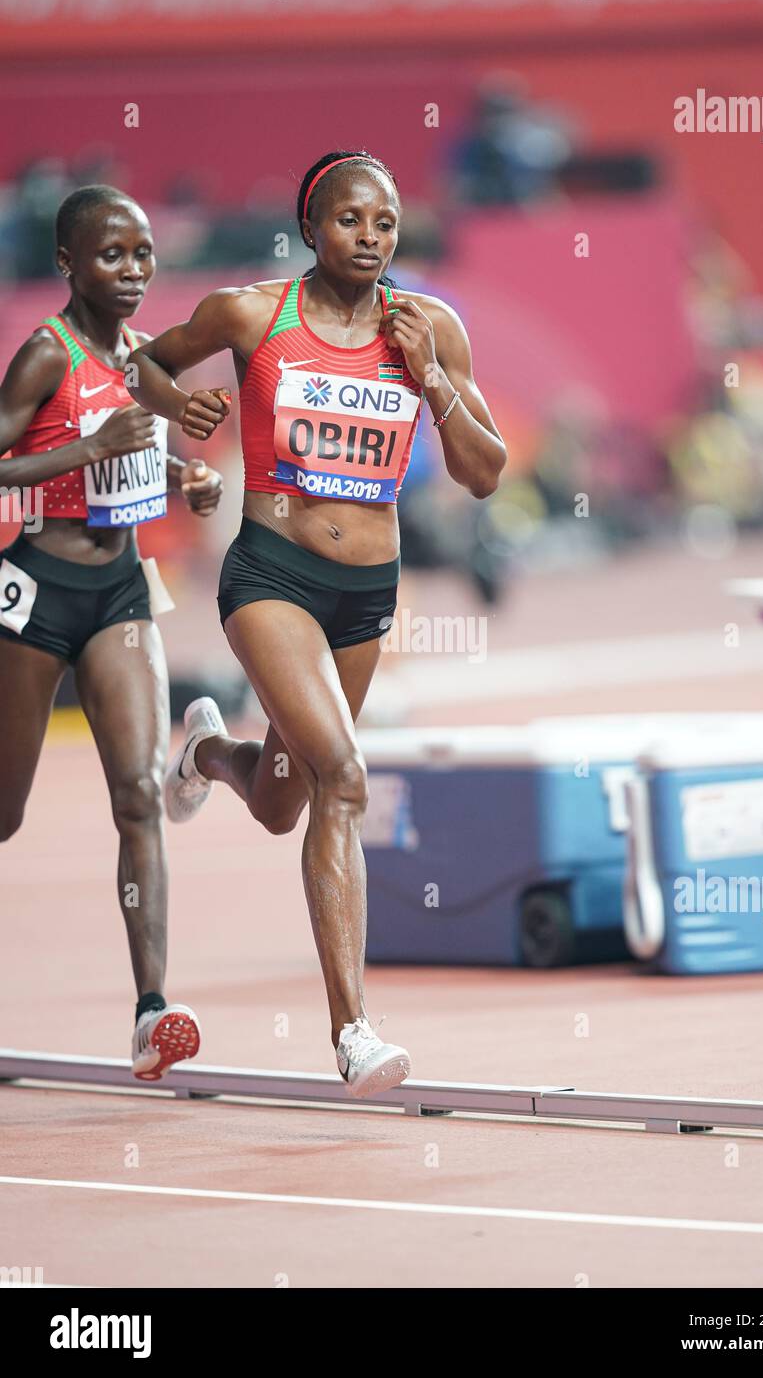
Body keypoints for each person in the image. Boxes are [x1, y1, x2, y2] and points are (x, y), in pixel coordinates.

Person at [129, 150, 507, 1097]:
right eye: (349, 221)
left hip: (365, 597)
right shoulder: (251, 314)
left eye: (384, 224)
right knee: (344, 775)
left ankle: (210, 755)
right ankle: (354, 1034)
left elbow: (485, 470)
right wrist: (184, 405)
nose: (370, 239)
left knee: (281, 801)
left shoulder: (430, 328)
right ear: (311, 227)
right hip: (271, 576)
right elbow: (136, 365)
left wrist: (434, 381)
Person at [0, 185, 223, 1080]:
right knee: (5, 814)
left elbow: (131, 441)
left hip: (122, 591)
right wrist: (87, 452)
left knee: (136, 793)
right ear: (66, 265)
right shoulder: (43, 356)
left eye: (143, 256)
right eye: (110, 257)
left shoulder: (137, 357)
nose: (132, 274)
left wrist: (183, 478)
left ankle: (150, 1011)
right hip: (38, 586)